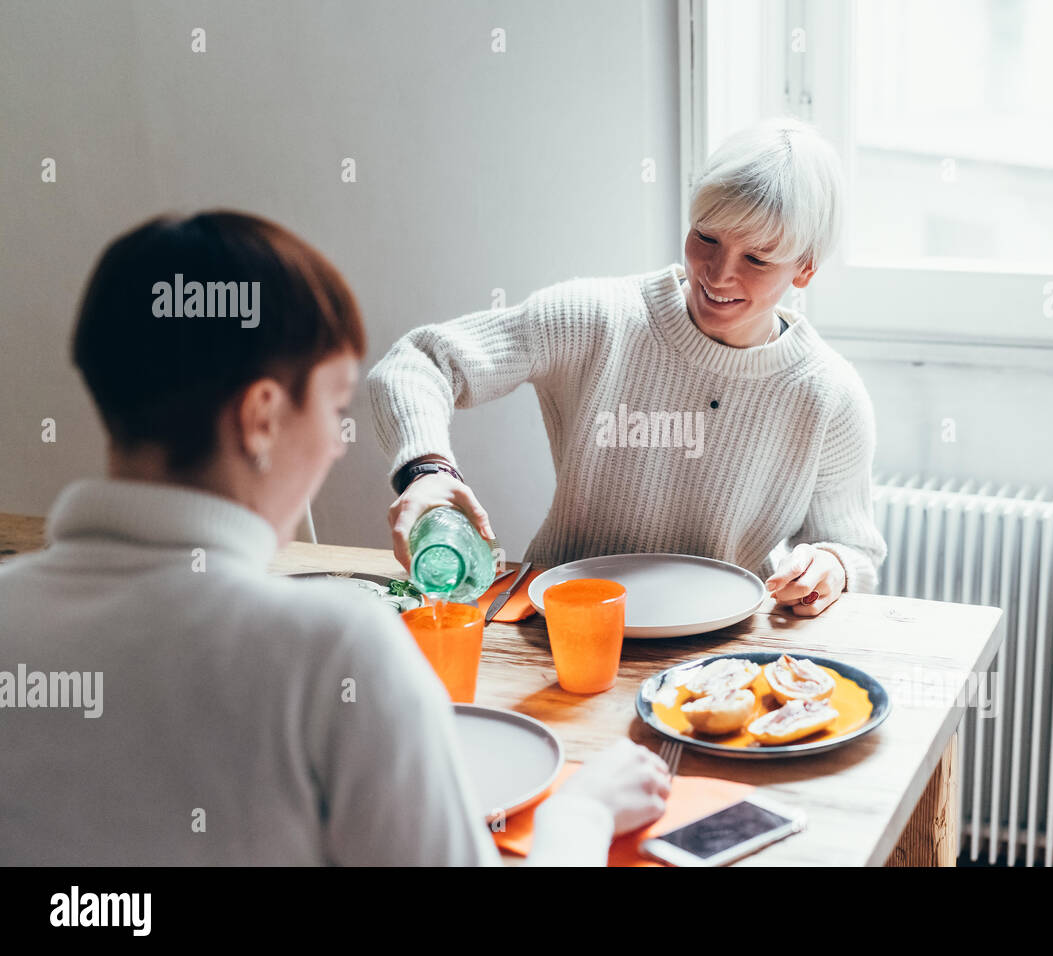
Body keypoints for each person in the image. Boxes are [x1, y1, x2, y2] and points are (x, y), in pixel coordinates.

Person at [0, 211, 669, 865]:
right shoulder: (332, 649)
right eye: (334, 407)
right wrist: (580, 815)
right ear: (261, 418)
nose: (333, 447)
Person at [370, 117, 887, 616]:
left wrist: (831, 566)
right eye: (706, 237)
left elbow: (852, 551)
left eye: (757, 259)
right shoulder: (594, 318)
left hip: (720, 653)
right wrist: (427, 471)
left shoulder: (829, 396)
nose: (718, 273)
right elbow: (420, 361)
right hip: (561, 627)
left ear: (806, 268)